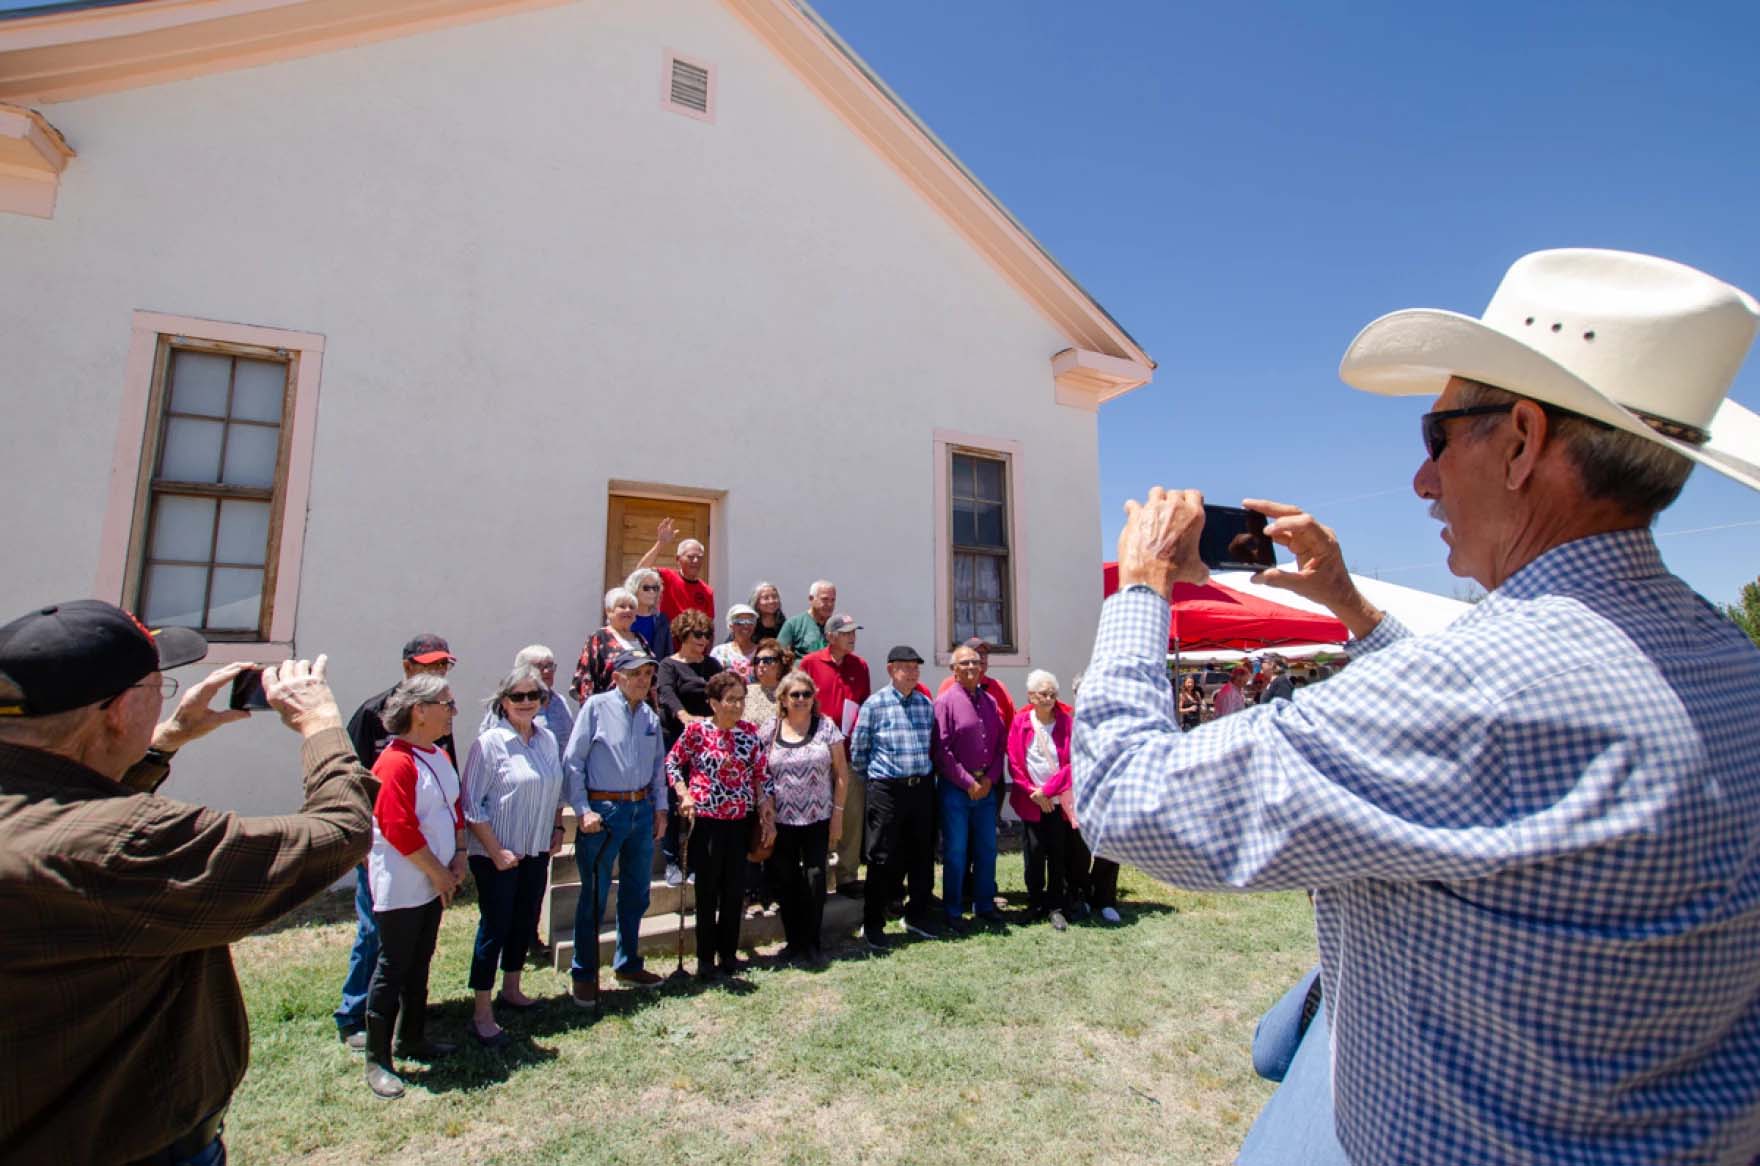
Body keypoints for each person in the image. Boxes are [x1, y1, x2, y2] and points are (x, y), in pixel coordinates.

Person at [1074, 248, 1760, 1163]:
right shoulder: (1729, 661)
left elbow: (1125, 798)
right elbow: (1479, 740)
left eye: (1439, 436)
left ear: (1522, 441)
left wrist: (1143, 584)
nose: (1422, 480)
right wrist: (1350, 605)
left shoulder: (1481, 688)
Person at [0, 602, 367, 1165]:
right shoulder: (131, 842)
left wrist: (163, 741)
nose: (163, 697)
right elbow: (339, 832)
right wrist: (320, 724)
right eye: (159, 685)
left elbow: (75, 809)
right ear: (120, 709)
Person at [335, 633, 457, 1051]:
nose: (439, 672)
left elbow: (446, 785)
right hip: (383, 849)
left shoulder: (439, 721)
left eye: (443, 665)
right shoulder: (374, 714)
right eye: (430, 665)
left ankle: (408, 1022)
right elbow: (350, 782)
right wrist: (357, 841)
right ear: (407, 668)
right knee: (376, 933)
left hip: (427, 856)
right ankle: (355, 1014)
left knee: (415, 945)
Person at [362, 674, 467, 1100]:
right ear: (419, 710)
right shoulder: (395, 762)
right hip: (405, 880)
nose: (452, 712)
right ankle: (377, 1058)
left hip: (433, 877)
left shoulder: (437, 754)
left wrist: (459, 853)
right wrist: (437, 872)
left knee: (420, 958)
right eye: (446, 703)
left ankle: (413, 1036)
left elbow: (453, 807)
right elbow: (397, 827)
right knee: (394, 964)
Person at [461, 665, 567, 1047]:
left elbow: (556, 788)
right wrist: (497, 851)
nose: (525, 702)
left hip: (535, 847)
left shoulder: (547, 739)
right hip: (497, 854)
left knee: (524, 920)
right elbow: (471, 805)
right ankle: (481, 1011)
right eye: (517, 696)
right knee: (495, 927)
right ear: (503, 701)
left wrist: (557, 828)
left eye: (532, 696)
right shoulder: (489, 743)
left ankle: (512, 988)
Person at [562, 649, 670, 998]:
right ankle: (584, 971)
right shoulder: (596, 707)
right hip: (604, 811)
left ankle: (628, 963)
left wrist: (661, 808)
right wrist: (582, 809)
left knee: (637, 892)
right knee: (594, 894)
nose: (642, 680)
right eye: (635, 673)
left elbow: (658, 767)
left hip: (641, 810)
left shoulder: (649, 715)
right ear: (617, 676)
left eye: (647, 674)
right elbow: (573, 761)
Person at [667, 671, 775, 981]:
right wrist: (684, 793)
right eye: (731, 700)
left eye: (741, 700)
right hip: (707, 823)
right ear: (714, 703)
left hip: (739, 822)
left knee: (733, 890)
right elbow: (672, 763)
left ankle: (728, 955)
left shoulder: (749, 733)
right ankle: (705, 958)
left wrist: (766, 807)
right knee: (707, 890)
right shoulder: (697, 731)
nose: (738, 706)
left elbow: (761, 774)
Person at [848, 646, 940, 947]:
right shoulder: (874, 705)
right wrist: (877, 781)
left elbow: (931, 745)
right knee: (882, 856)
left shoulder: (925, 704)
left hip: (921, 788)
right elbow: (859, 751)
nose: (912, 673)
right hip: (887, 789)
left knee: (922, 854)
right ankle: (873, 923)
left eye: (916, 668)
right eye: (906, 667)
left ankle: (918, 916)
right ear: (891, 670)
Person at [759, 670, 850, 964]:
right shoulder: (770, 729)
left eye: (806, 694)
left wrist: (838, 815)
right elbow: (760, 773)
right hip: (781, 821)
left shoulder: (826, 727)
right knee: (786, 880)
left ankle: (812, 942)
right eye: (795, 694)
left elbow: (841, 774)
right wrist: (765, 810)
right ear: (783, 699)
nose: (801, 699)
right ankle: (793, 941)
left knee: (815, 878)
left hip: (818, 818)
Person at [933, 644, 1007, 933]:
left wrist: (989, 779)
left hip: (986, 789)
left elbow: (999, 746)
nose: (971, 667)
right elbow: (942, 751)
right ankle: (953, 909)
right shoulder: (945, 702)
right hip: (956, 790)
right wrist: (967, 782)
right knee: (956, 851)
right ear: (954, 670)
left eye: (975, 662)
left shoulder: (990, 701)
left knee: (987, 849)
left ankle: (984, 905)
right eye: (964, 663)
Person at [798, 613, 871, 894]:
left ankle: (847, 876)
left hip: (849, 754)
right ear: (830, 636)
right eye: (846, 633)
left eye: (854, 632)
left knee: (851, 815)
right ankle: (819, 875)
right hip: (817, 754)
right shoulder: (810, 663)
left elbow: (863, 703)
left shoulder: (860, 665)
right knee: (818, 818)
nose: (853, 637)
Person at [656, 609, 723, 885]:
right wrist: (684, 716)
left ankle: (695, 861)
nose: (703, 639)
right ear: (683, 635)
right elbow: (666, 693)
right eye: (697, 634)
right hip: (676, 739)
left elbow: (722, 692)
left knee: (702, 800)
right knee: (676, 798)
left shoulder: (713, 665)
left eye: (707, 634)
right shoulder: (668, 665)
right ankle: (672, 859)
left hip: (706, 742)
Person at [1006, 669, 1075, 929]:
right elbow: (1015, 761)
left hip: (1056, 801)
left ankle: (1056, 906)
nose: (1048, 698)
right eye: (1043, 694)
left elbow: (1071, 763)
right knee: (1033, 854)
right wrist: (1032, 791)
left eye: (1052, 694)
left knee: (1057, 854)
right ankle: (1035, 902)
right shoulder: (1020, 722)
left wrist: (1047, 791)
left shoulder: (1066, 723)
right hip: (1031, 801)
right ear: (1031, 696)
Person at [1062, 670, 1121, 924]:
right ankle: (1081, 896)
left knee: (1109, 848)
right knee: (1079, 849)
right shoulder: (1068, 723)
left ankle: (1105, 899)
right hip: (1079, 794)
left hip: (1108, 793)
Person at [481, 644, 573, 746]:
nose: (547, 671)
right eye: (539, 667)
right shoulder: (508, 704)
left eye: (550, 666)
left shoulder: (560, 702)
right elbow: (490, 744)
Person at [574, 587, 651, 701]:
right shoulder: (599, 637)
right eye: (622, 606)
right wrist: (590, 706)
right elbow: (587, 676)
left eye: (631, 607)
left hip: (639, 705)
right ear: (609, 611)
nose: (628, 610)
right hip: (608, 704)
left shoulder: (640, 639)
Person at [635, 515, 715, 621]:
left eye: (699, 557)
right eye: (691, 557)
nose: (696, 561)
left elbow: (708, 624)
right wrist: (660, 543)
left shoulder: (707, 591)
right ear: (678, 559)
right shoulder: (666, 577)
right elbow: (640, 572)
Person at [935, 637, 1017, 726]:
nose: (982, 657)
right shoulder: (949, 684)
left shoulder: (998, 687)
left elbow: (1012, 724)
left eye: (984, 653)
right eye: (977, 653)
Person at [624, 568, 675, 660]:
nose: (652, 592)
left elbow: (668, 654)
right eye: (646, 588)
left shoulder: (661, 620)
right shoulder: (623, 617)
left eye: (655, 588)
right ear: (634, 589)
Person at [777, 579, 837, 657]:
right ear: (811, 599)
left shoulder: (837, 626)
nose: (830, 604)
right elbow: (778, 654)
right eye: (825, 599)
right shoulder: (794, 624)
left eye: (833, 600)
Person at [742, 639, 789, 727]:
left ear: (781, 665)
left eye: (767, 660)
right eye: (757, 660)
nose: (760, 665)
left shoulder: (790, 694)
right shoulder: (745, 692)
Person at [710, 603, 761, 681]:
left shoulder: (761, 651)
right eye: (739, 622)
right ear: (731, 626)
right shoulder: (719, 652)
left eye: (750, 621)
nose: (746, 626)